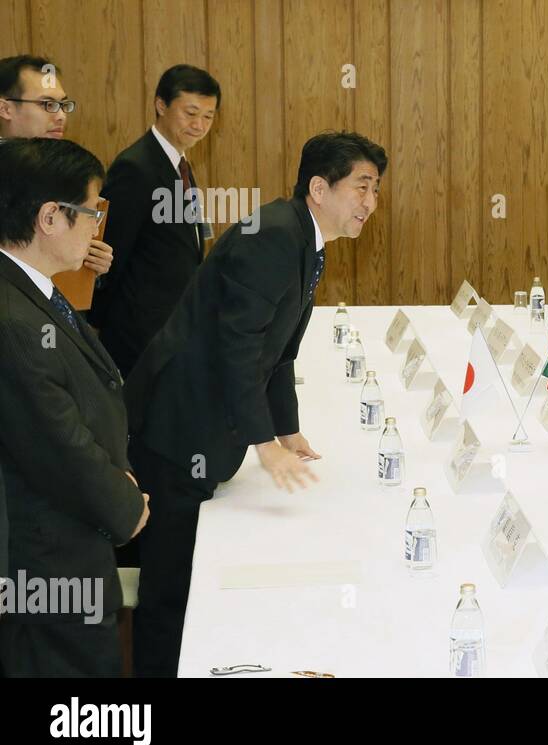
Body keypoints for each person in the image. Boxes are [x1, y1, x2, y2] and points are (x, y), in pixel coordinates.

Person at [125, 131, 388, 677]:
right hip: (180, 427)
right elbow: (237, 347)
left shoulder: (302, 237)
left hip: (201, 422)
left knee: (186, 577)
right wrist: (262, 443)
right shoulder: (271, 236)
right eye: (362, 187)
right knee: (170, 587)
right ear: (319, 187)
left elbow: (279, 351)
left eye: (377, 190)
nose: (371, 203)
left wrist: (286, 431)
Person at [0, 138, 149, 676]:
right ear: (49, 218)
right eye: (91, 211)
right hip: (49, 561)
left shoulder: (34, 290)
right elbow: (56, 439)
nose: (97, 226)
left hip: (71, 537)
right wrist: (125, 504)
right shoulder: (13, 319)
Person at [93, 64, 221, 376]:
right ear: (160, 105)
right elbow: (111, 255)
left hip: (172, 323)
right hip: (139, 333)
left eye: (208, 115)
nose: (199, 125)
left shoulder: (179, 162)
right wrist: (103, 326)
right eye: (190, 113)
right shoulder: (136, 167)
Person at [0, 55, 113, 280]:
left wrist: (87, 262)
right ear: (5, 108)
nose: (61, 116)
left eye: (63, 105)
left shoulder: (65, 170)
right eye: (47, 105)